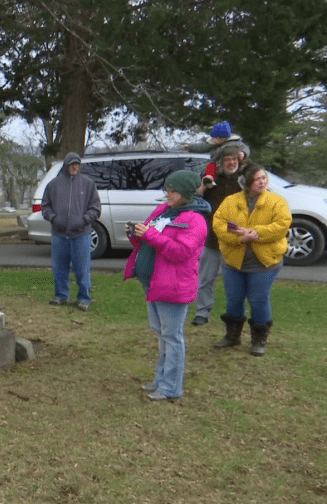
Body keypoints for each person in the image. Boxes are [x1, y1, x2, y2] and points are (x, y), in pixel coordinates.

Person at [124, 171, 210, 401]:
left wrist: (150, 235)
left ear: (186, 193)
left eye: (173, 191)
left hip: (173, 285)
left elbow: (181, 252)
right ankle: (160, 380)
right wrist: (136, 235)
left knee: (172, 337)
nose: (168, 194)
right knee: (161, 334)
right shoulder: (163, 211)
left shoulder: (196, 220)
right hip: (153, 283)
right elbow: (148, 241)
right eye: (167, 190)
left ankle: (171, 387)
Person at [212, 165, 291, 356]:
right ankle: (232, 336)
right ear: (246, 183)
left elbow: (282, 225)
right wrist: (240, 239)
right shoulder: (230, 201)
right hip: (234, 262)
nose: (262, 181)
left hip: (264, 263)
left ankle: (259, 340)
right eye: (257, 179)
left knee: (258, 300)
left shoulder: (277, 202)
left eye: (264, 178)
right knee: (234, 299)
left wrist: (257, 233)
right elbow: (218, 225)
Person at [190, 144, 246, 326]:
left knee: (237, 280)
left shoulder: (245, 178)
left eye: (234, 159)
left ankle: (237, 314)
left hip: (237, 239)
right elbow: (195, 198)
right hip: (212, 238)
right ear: (221, 162)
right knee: (205, 278)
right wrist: (204, 185)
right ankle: (202, 312)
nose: (231, 163)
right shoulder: (211, 176)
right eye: (227, 160)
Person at [40, 152, 102, 311]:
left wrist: (85, 220)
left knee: (82, 268)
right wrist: (53, 218)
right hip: (59, 234)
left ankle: (84, 298)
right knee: (59, 267)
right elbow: (45, 206)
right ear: (66, 165)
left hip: (81, 234)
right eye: (72, 164)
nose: (75, 167)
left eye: (77, 164)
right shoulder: (53, 185)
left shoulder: (88, 184)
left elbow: (96, 208)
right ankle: (61, 296)